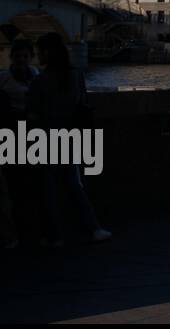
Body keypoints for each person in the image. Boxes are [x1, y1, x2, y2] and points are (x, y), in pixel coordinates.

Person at [26, 33, 111, 245]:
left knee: (49, 188)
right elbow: (83, 102)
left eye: (39, 51)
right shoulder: (75, 76)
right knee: (74, 184)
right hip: (71, 136)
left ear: (47, 52)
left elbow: (33, 113)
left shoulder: (40, 80)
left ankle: (55, 235)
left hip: (46, 138)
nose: (37, 56)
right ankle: (93, 227)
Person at [0, 38, 38, 250]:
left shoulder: (37, 77)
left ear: (31, 57)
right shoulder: (4, 78)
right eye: (17, 56)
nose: (21, 60)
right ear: (11, 57)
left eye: (25, 56)